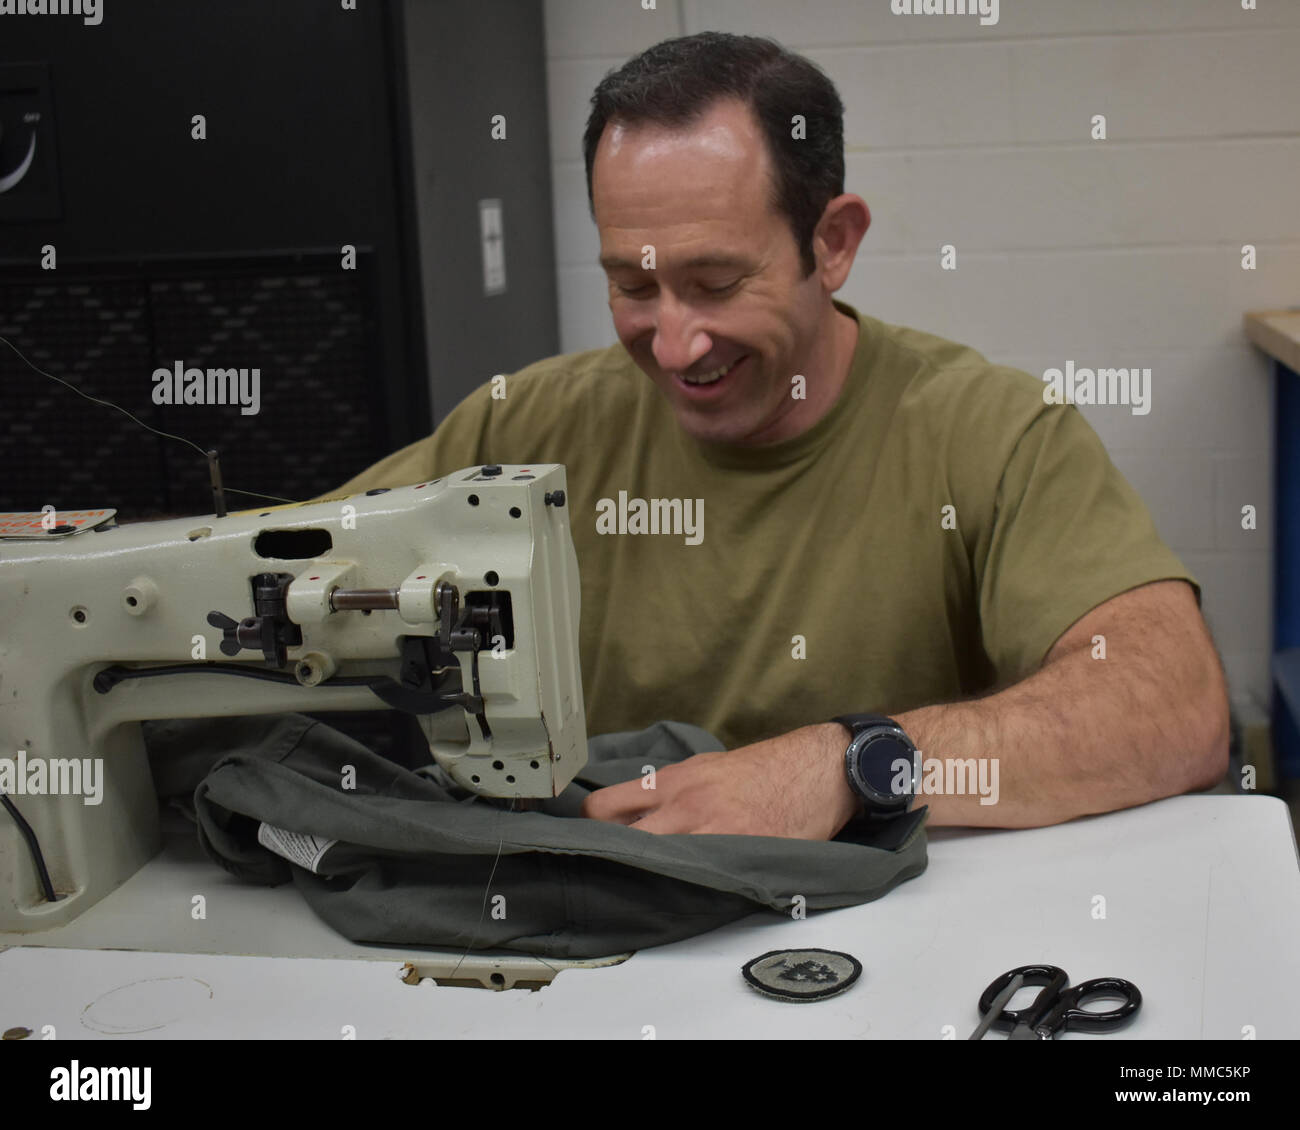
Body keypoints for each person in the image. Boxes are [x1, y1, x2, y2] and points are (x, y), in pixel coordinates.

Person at [321, 32, 1228, 838]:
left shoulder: (990, 434)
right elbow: (272, 579)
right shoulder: (524, 427)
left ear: (831, 242)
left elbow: (1171, 705)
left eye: (716, 282)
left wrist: (846, 767)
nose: (674, 345)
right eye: (634, 288)